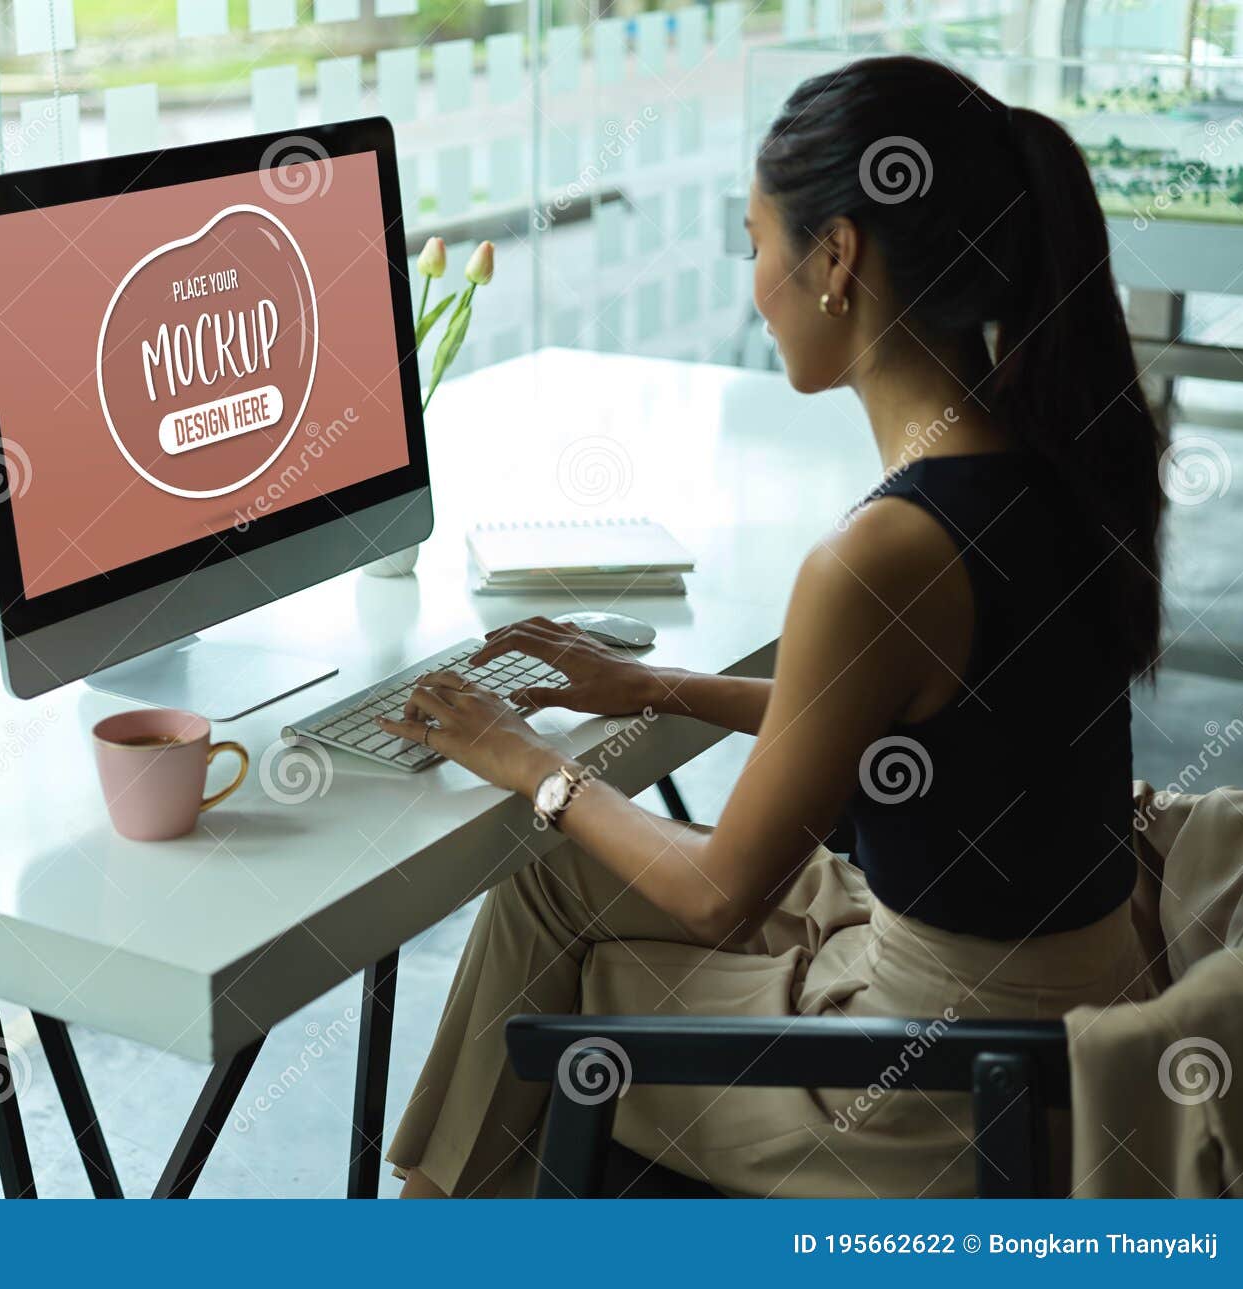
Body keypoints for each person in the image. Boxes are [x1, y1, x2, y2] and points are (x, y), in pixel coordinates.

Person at [374, 54, 1167, 1198]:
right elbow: (945, 732)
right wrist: (659, 686)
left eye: (754, 245)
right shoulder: (1044, 456)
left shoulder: (882, 552)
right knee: (549, 891)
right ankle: (444, 1221)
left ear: (835, 256)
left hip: (935, 1093)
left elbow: (718, 896)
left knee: (556, 989)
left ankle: (445, 1219)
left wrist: (526, 761)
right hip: (1062, 1016)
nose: (755, 281)